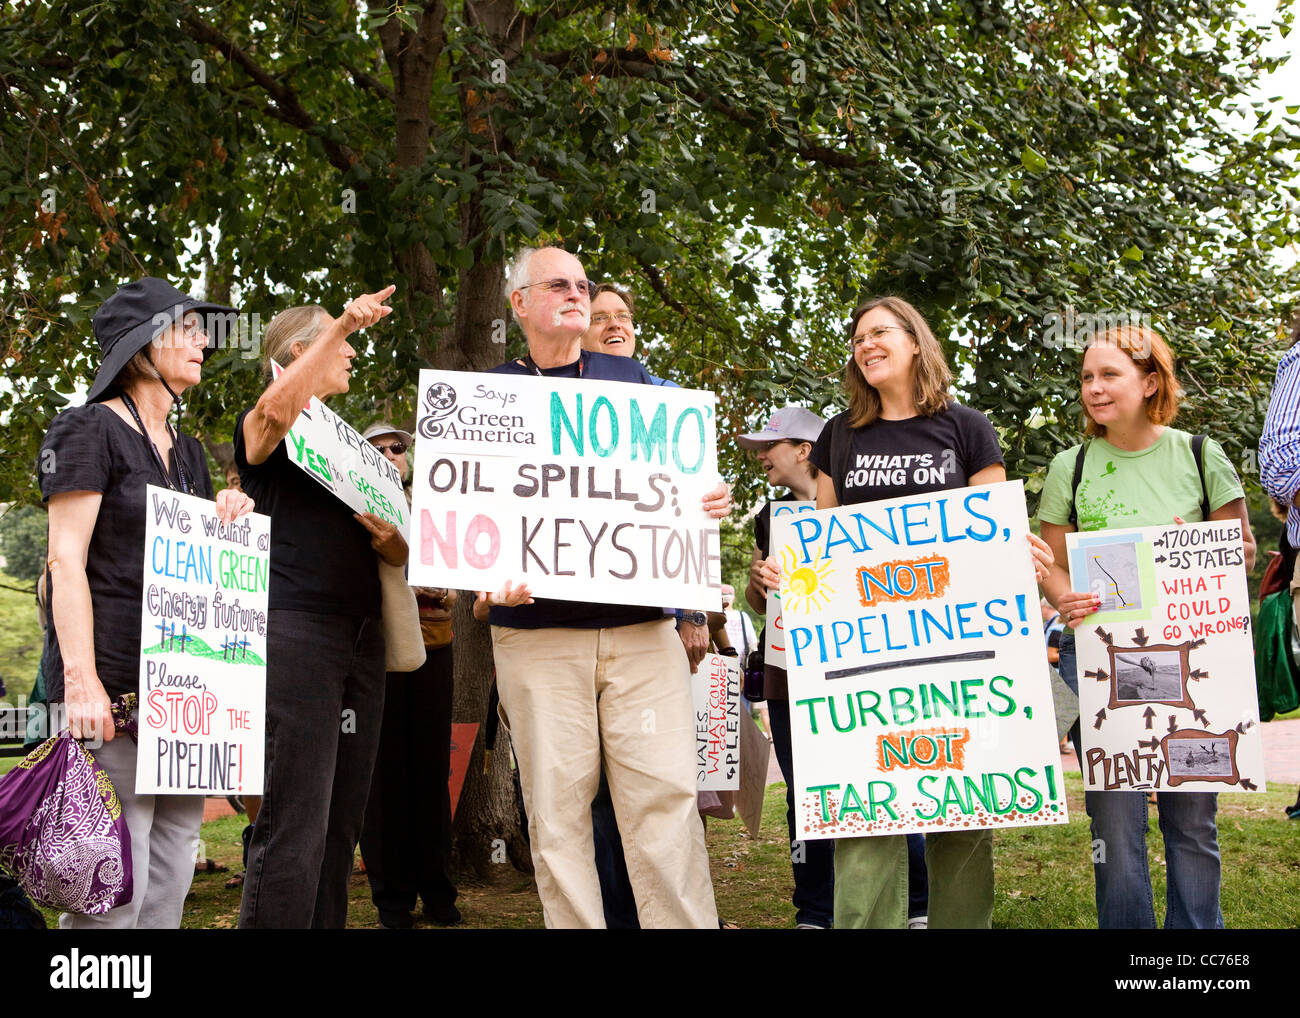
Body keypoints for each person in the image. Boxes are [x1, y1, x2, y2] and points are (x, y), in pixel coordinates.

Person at [756, 297, 1052, 929]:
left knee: (962, 811)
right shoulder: (840, 434)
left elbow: (992, 533)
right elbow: (824, 536)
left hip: (957, 653)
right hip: (865, 656)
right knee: (866, 813)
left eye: (880, 332)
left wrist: (1016, 546)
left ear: (917, 342)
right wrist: (795, 572)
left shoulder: (967, 428)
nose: (866, 345)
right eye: (858, 338)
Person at [478, 245, 728, 928]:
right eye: (557, 283)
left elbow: (682, 487)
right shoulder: (486, 397)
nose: (576, 293)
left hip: (642, 632)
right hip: (536, 638)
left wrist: (706, 500)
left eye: (583, 284)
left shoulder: (636, 385)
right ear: (520, 304)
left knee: (665, 802)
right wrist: (480, 589)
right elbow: (469, 524)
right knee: (557, 816)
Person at [40, 277, 254, 928]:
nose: (202, 340)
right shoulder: (86, 430)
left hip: (186, 702)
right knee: (114, 892)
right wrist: (81, 682)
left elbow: (196, 574)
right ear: (139, 349)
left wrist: (227, 514)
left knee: (172, 874)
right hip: (115, 694)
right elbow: (63, 562)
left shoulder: (190, 456)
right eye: (184, 328)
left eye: (202, 329)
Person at [1038, 323, 1253, 928]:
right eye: (1086, 377)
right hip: (1103, 662)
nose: (1095, 389)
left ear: (1150, 380)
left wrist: (1205, 551)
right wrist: (1064, 598)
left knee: (1191, 818)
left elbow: (1241, 552)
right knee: (1112, 818)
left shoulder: (1199, 452)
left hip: (1193, 661)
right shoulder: (1070, 465)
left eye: (1110, 374)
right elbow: (1049, 564)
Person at [233, 286, 404, 929]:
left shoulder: (344, 447)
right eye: (340, 341)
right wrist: (343, 323)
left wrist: (393, 544)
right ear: (302, 350)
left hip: (364, 637)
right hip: (298, 631)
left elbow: (394, 555)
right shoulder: (269, 425)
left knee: (340, 819)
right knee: (295, 816)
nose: (353, 351)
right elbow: (272, 414)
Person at [358, 421, 460, 929]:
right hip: (372, 655)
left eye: (397, 446)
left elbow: (455, 585)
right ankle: (392, 901)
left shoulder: (432, 510)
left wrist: (439, 588)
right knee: (380, 778)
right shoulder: (349, 508)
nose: (389, 454)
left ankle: (439, 894)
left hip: (432, 653)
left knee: (429, 774)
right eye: (376, 448)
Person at [739, 404, 837, 929]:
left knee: (876, 777)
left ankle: (913, 903)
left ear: (804, 450)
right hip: (784, 670)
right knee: (804, 789)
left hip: (849, 668)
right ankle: (815, 910)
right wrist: (757, 584)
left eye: (768, 448)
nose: (760, 459)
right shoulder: (770, 516)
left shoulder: (857, 501)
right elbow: (760, 603)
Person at [579, 283, 676, 386]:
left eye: (623, 316)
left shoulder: (667, 391)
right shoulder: (563, 389)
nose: (615, 324)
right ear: (578, 337)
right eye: (599, 318)